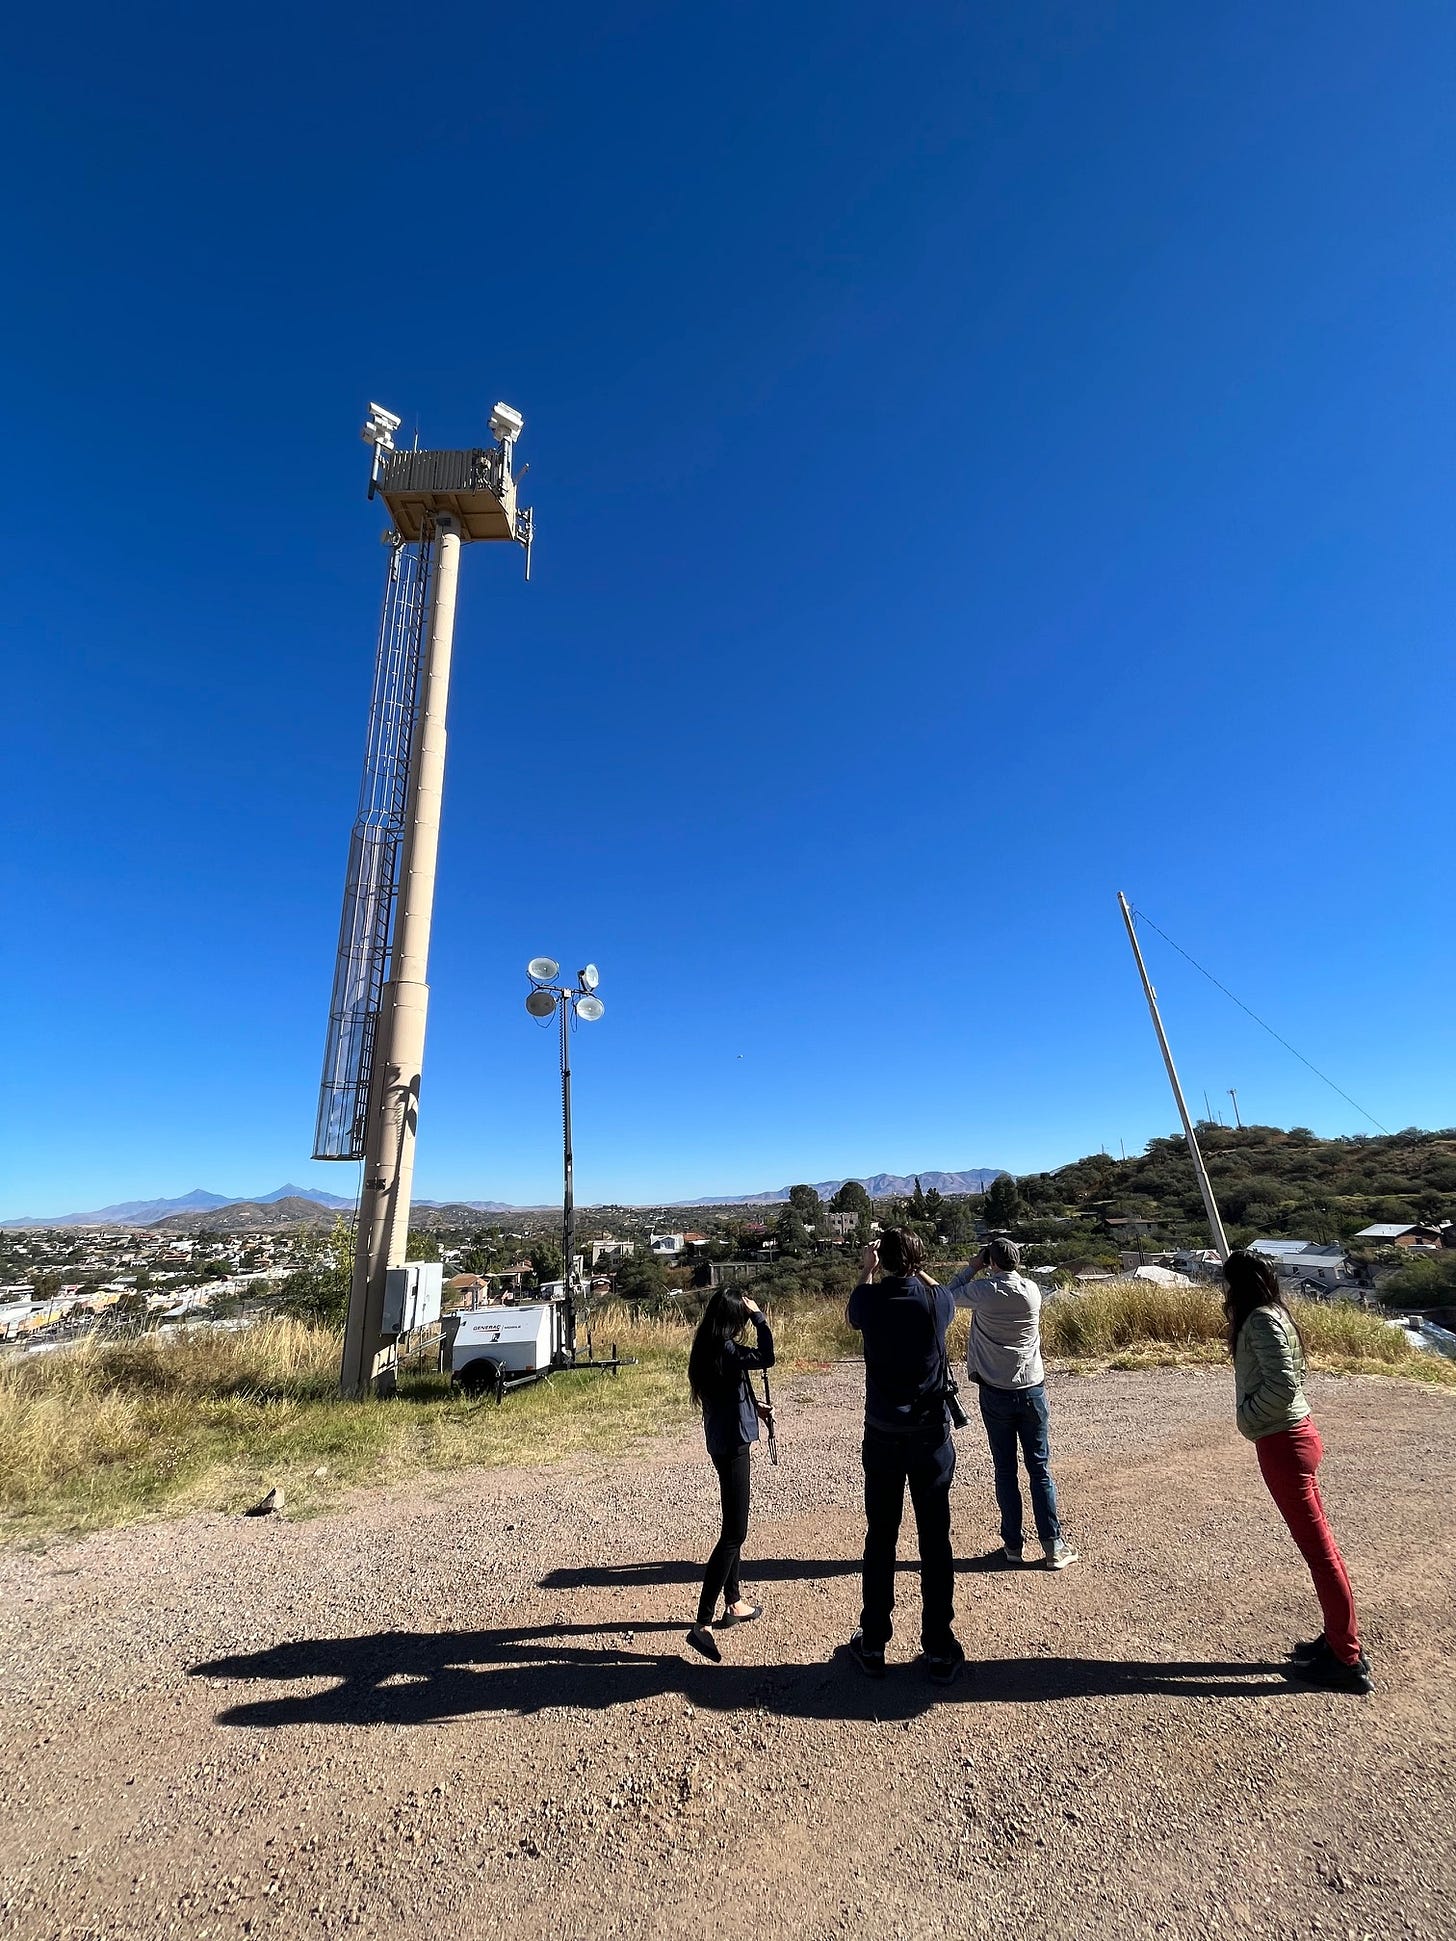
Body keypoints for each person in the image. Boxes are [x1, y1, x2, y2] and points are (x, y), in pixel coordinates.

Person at [1223, 1249, 1373, 1694]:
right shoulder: (1274, 1312)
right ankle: (1337, 1640)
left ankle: (1346, 1658)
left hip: (1283, 1442)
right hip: (1293, 1436)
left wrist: (1249, 1416)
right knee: (1321, 1549)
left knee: (1321, 1554)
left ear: (1237, 1285)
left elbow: (1284, 1384)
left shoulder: (1260, 1320)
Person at [843, 1229, 964, 1683]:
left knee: (881, 1536)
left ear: (883, 1260)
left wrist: (868, 1269)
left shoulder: (869, 1299)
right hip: (930, 1435)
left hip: (883, 1433)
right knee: (935, 1539)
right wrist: (917, 1267)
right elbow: (937, 1288)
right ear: (918, 1259)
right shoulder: (937, 1301)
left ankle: (873, 1642)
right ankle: (939, 1647)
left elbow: (853, 1315)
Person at [937, 1239, 1077, 1569]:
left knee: (1005, 1469)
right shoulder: (1032, 1291)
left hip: (995, 1391)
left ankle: (1013, 1545)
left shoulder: (984, 1291)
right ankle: (1053, 1545)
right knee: (1039, 1469)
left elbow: (947, 1296)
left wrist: (973, 1267)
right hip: (1032, 1389)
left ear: (991, 1262)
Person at [685, 1289, 775, 1662]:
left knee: (732, 1527)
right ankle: (702, 1622)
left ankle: (734, 1602)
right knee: (734, 1533)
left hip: (723, 1438)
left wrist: (755, 1406)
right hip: (733, 1443)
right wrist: (759, 1316)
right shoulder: (724, 1348)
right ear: (732, 1318)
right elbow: (767, 1356)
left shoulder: (709, 1345)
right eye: (740, 1317)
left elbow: (729, 1388)